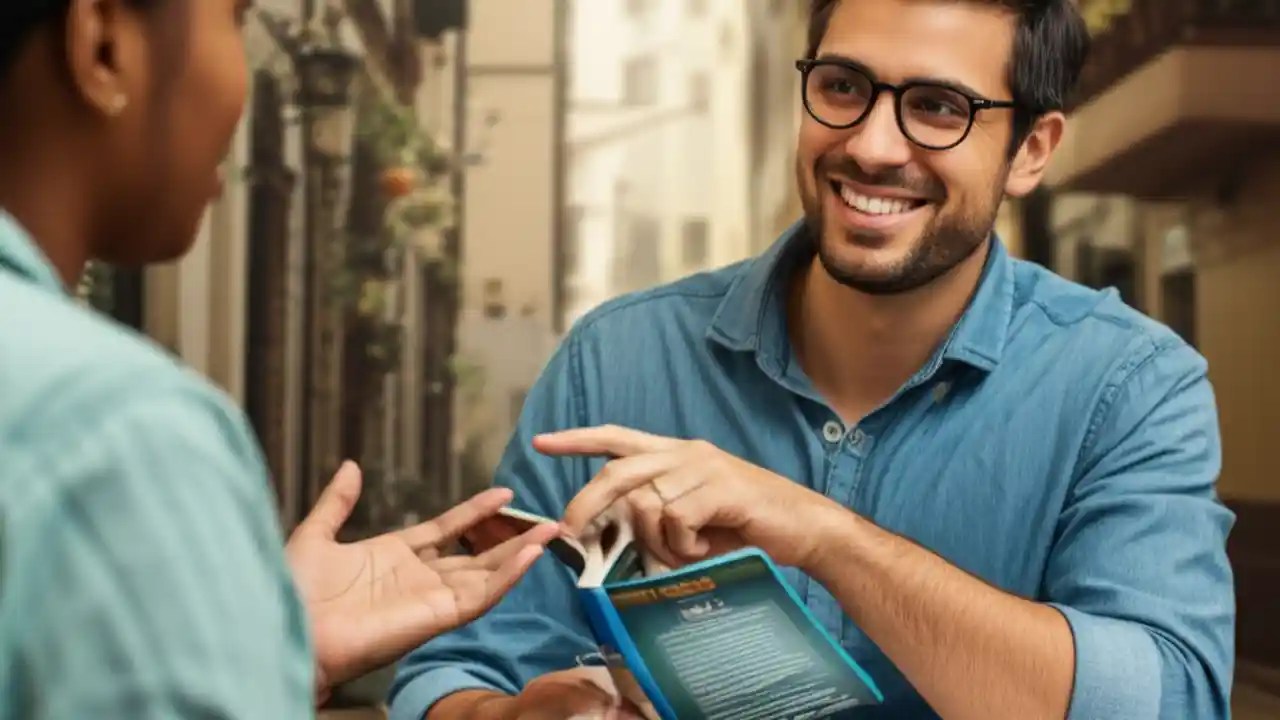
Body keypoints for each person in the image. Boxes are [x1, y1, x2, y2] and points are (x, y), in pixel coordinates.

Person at [390, 0, 1237, 718]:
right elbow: (457, 670)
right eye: (843, 87)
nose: (871, 146)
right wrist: (515, 715)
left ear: (1031, 151)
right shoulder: (616, 360)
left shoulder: (1128, 387)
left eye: (939, 106)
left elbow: (1168, 695)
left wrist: (828, 538)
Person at [0, 0, 558, 717]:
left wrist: (255, 639)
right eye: (233, 18)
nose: (240, 76)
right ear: (103, 42)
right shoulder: (116, 433)